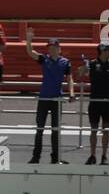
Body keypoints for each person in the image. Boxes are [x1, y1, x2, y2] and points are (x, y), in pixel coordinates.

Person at [25, 29, 73, 165]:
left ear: (59, 49)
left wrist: (71, 92)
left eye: (53, 47)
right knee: (39, 129)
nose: (51, 50)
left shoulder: (65, 62)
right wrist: (29, 40)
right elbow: (31, 53)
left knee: (55, 130)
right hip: (44, 98)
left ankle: (55, 158)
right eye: (49, 47)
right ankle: (36, 157)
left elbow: (70, 79)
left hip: (57, 99)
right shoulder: (44, 59)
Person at [83, 42, 109, 165]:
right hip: (95, 101)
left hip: (108, 101)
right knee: (93, 129)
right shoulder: (92, 63)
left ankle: (104, 156)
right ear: (103, 51)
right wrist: (84, 67)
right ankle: (92, 155)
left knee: (106, 129)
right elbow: (80, 73)